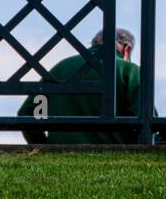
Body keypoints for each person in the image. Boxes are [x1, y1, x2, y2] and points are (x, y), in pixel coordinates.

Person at [17, 27, 147, 144]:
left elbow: (27, 113)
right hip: (116, 152)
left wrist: (44, 146)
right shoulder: (130, 70)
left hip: (60, 151)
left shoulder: (60, 67)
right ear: (127, 49)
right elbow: (147, 117)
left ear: (93, 44)